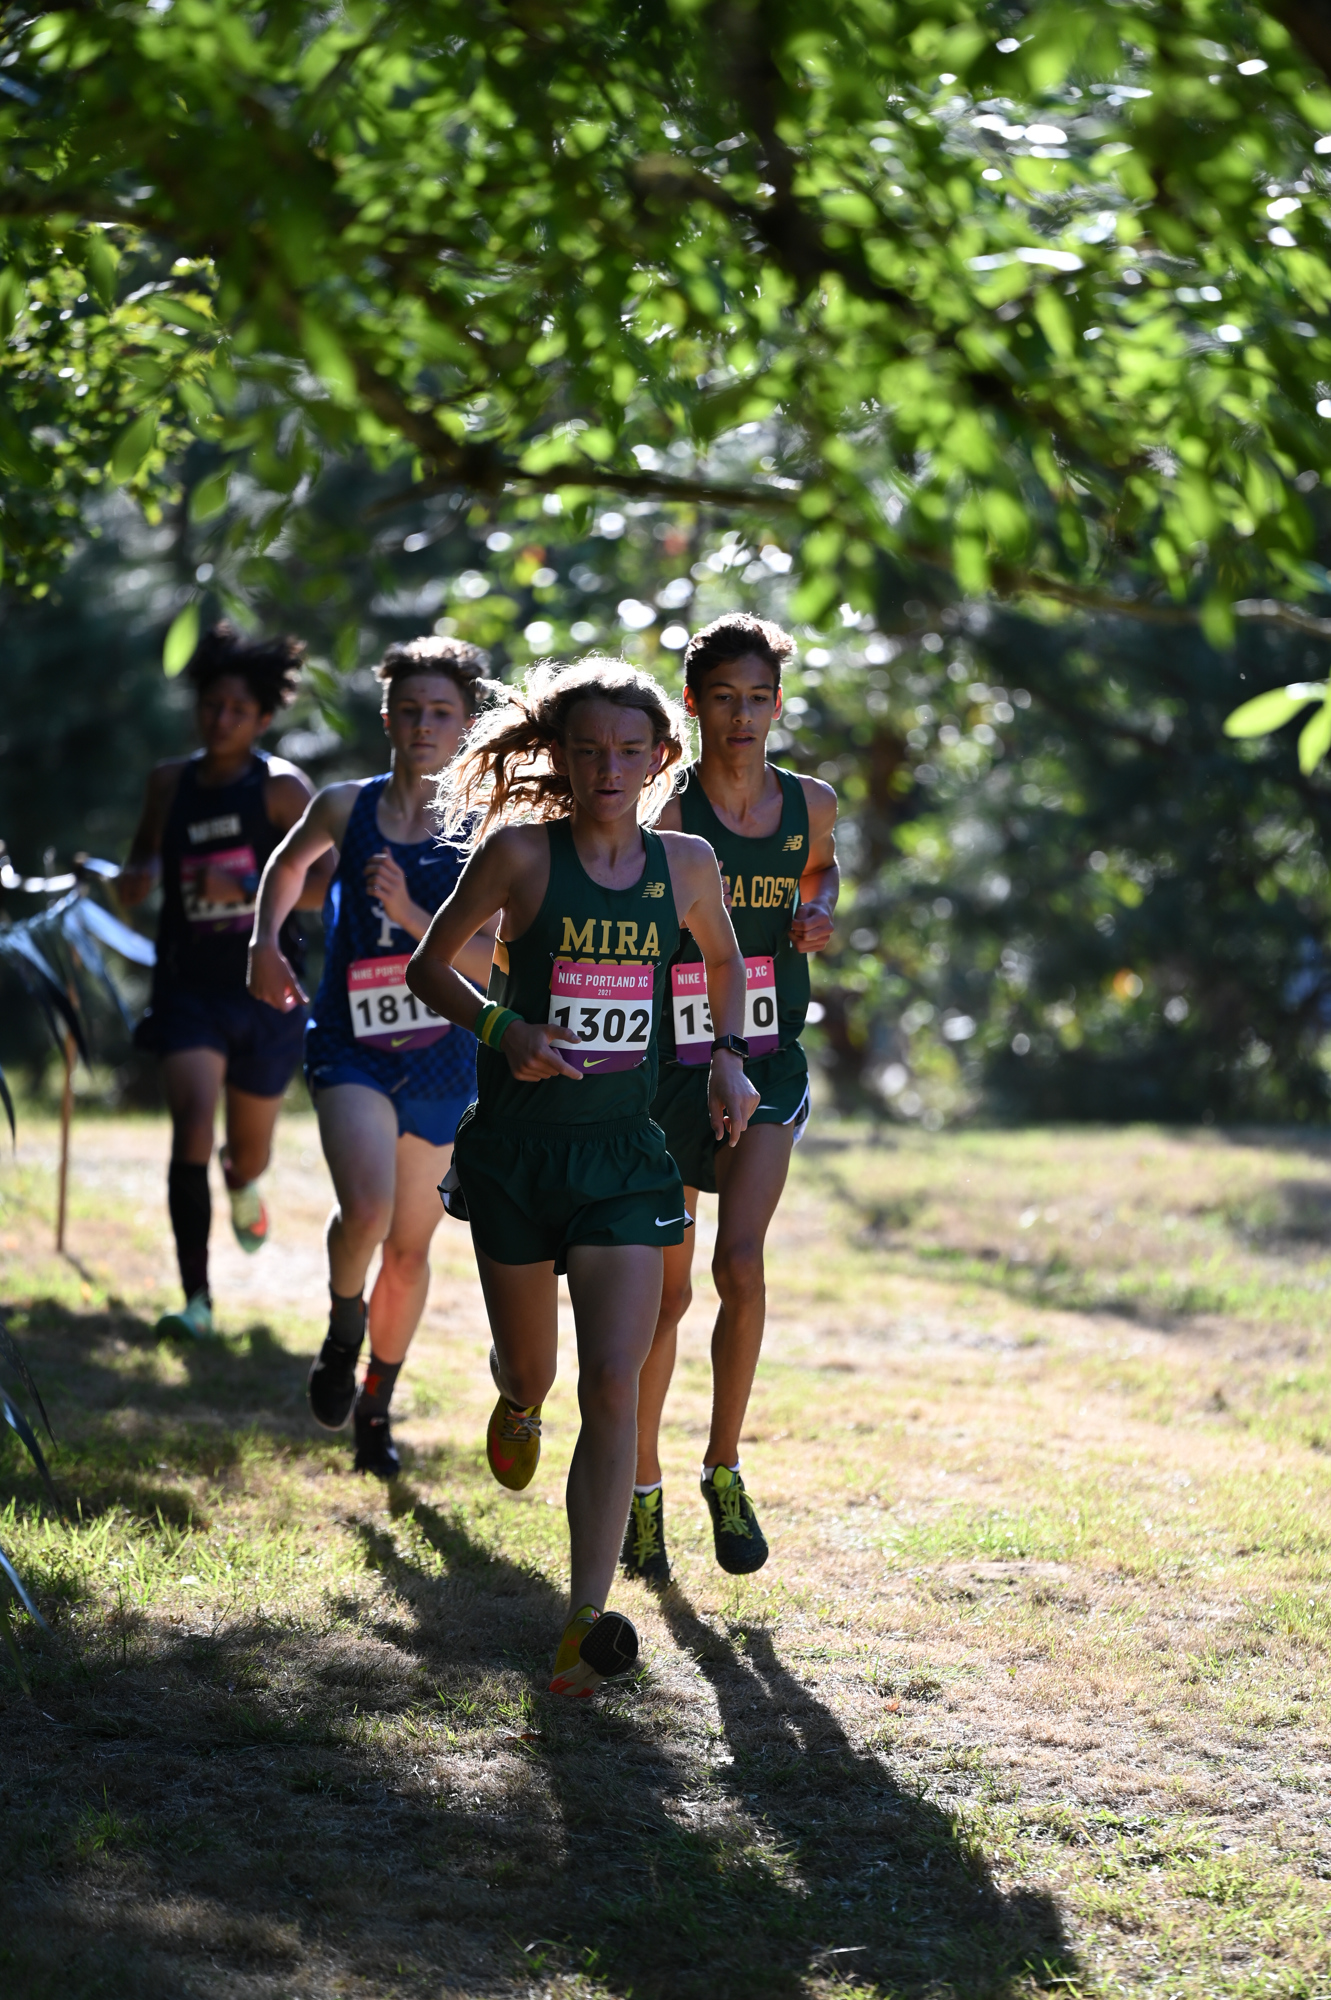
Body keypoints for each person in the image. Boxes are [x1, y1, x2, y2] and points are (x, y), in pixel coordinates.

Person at [405, 658, 758, 1696]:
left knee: (614, 1379)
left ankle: (580, 1619)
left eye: (629, 750)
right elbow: (434, 963)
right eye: (589, 749)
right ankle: (514, 1402)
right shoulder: (520, 855)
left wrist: (727, 1051)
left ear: (661, 758)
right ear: (561, 756)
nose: (610, 767)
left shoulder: (687, 863)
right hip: (517, 1152)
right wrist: (503, 1027)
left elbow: (724, 963)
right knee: (539, 1375)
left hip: (621, 1155)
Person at [622, 614, 839, 1588]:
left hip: (769, 1051)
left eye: (757, 698)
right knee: (663, 1294)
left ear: (777, 705)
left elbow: (817, 872)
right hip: (673, 1062)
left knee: (740, 1263)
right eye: (722, 697)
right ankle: (640, 1492)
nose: (741, 715)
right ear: (694, 705)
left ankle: (723, 1465)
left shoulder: (812, 804)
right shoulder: (666, 808)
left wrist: (818, 905)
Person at [247, 637, 498, 1478]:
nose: (424, 726)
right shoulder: (344, 806)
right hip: (353, 1040)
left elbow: (490, 960)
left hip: (444, 1057)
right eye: (411, 711)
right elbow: (286, 872)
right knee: (366, 1211)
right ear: (387, 716)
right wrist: (264, 943)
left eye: (442, 714)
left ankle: (376, 1405)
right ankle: (341, 1327)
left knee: (410, 1248)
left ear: (466, 726)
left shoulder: (481, 831)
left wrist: (415, 908)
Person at [121, 623, 329, 1342]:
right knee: (191, 1131)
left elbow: (318, 887)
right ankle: (197, 1298)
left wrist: (243, 884)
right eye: (211, 705)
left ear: (263, 718)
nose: (221, 720)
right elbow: (139, 867)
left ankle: (244, 1184)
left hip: (265, 993)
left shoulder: (278, 789)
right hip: (187, 990)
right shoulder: (168, 783)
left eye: (238, 710)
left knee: (247, 1153)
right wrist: (134, 879)